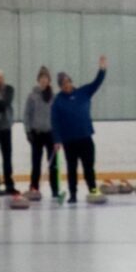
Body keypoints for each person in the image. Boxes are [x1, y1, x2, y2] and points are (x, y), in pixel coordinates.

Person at [50, 58, 108, 204]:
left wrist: (102, 69)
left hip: (85, 137)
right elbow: (55, 122)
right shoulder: (58, 101)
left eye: (68, 82)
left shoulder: (84, 92)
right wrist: (57, 140)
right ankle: (73, 194)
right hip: (69, 141)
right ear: (60, 87)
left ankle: (93, 190)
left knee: (89, 167)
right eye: (63, 84)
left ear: (71, 81)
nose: (66, 85)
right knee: (72, 169)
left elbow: (97, 83)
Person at [23, 66, 59, 199]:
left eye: (46, 78)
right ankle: (34, 188)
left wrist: (58, 135)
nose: (44, 81)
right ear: (38, 80)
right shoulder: (32, 96)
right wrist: (28, 131)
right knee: (36, 163)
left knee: (53, 164)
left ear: (49, 80)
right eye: (41, 78)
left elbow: (58, 116)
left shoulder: (54, 97)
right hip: (37, 133)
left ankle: (55, 189)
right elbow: (27, 115)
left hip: (51, 134)